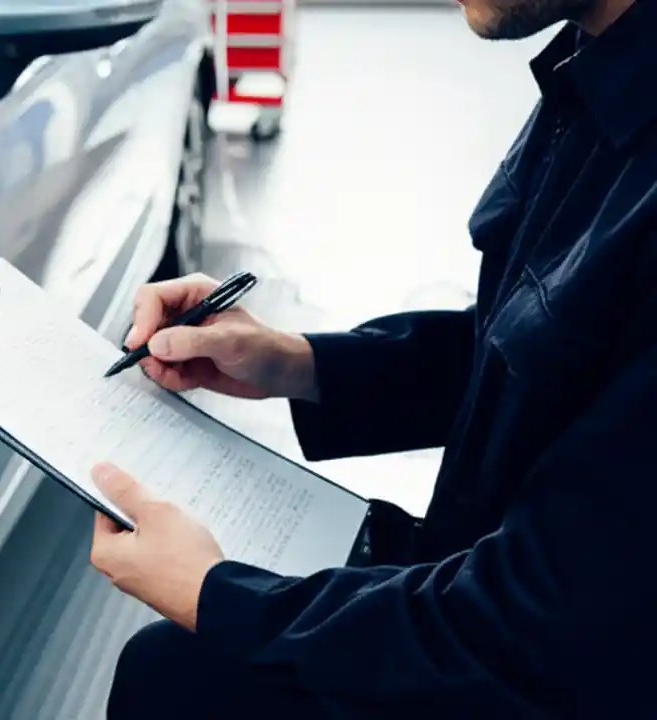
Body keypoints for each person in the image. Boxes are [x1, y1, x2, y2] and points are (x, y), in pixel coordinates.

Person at [86, 0, 657, 715]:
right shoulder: (598, 67)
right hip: (505, 586)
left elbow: (543, 627)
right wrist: (293, 361)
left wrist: (219, 597)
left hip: (540, 658)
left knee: (176, 678)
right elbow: (534, 351)